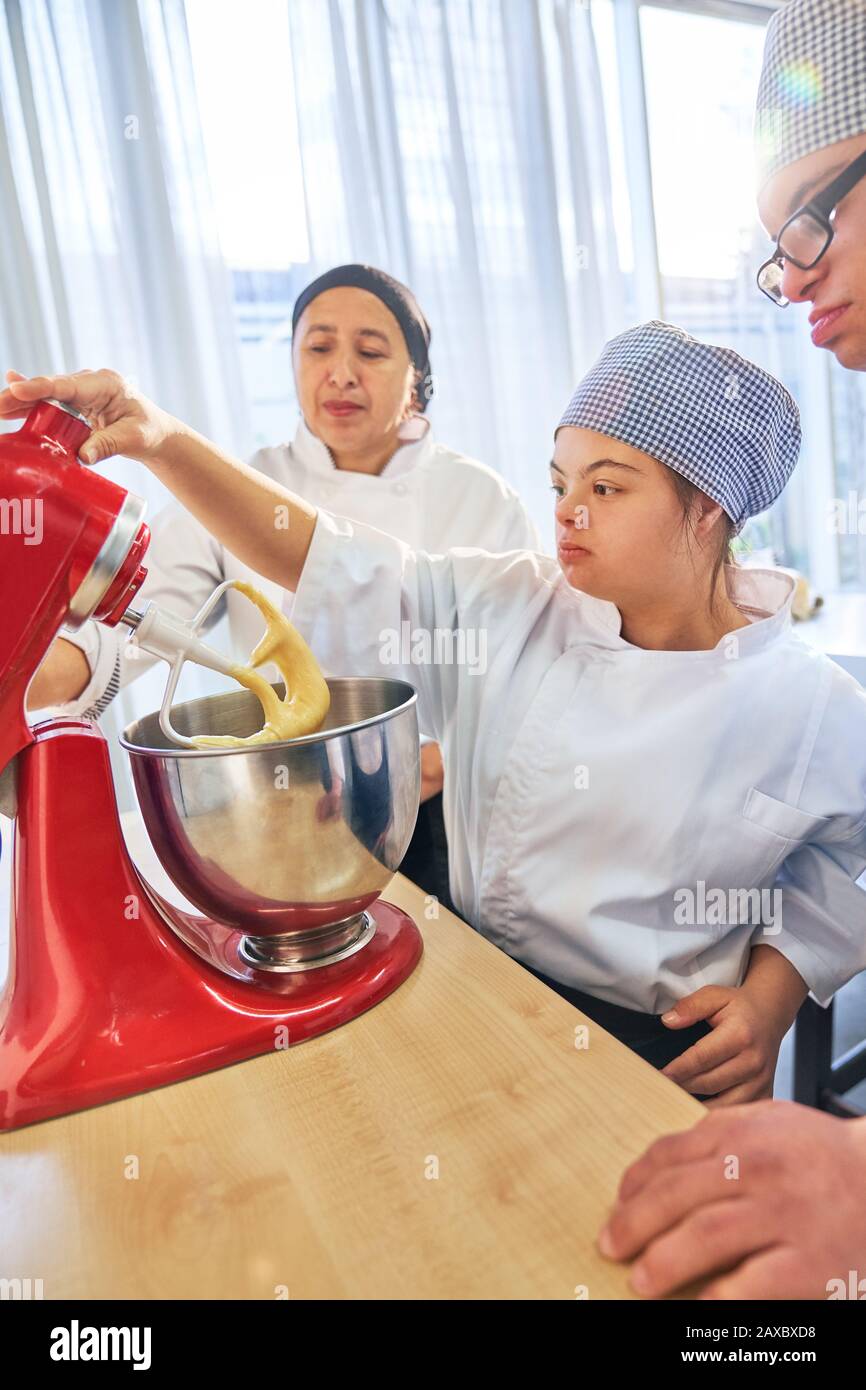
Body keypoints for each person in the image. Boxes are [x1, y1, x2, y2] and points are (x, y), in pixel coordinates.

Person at [6, 317, 865, 1104]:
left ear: (709, 507)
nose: (566, 510)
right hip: (473, 983)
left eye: (608, 489)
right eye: (561, 480)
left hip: (658, 1049)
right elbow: (318, 554)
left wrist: (770, 998)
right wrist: (161, 440)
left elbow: (838, 867)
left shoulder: (811, 706)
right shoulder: (514, 605)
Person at [599, 0, 866, 1300]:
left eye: (817, 209)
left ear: (706, 511)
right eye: (774, 244)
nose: (795, 267)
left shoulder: (803, 697)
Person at [24, 263, 540, 914]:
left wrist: (419, 775)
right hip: (282, 795)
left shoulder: (479, 499)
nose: (342, 372)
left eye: (372, 352)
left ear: (417, 382)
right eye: (318, 348)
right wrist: (31, 674)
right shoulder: (243, 487)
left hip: (433, 807)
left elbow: (516, 679)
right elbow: (133, 614)